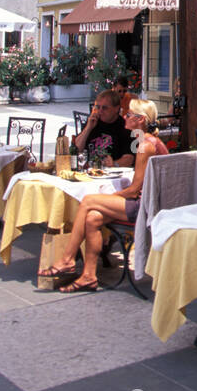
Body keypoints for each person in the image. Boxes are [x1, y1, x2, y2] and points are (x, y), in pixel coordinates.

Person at [45, 99, 169, 293]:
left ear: (140, 119)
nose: (124, 117)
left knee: (88, 201)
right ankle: (88, 276)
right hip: (151, 203)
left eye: (128, 114)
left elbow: (134, 190)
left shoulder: (145, 146)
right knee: (93, 218)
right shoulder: (151, 142)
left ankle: (68, 259)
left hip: (144, 207)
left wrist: (111, 195)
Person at [74, 90, 135, 167]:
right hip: (88, 171)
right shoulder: (93, 122)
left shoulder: (125, 127)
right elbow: (75, 150)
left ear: (116, 108)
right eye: (98, 107)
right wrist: (88, 128)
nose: (100, 111)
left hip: (111, 173)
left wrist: (114, 164)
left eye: (104, 108)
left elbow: (129, 159)